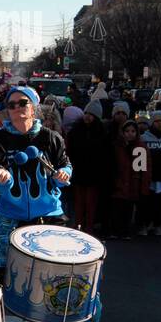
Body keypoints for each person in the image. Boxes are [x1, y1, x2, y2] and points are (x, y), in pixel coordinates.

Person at [0, 85, 94, 322]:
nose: (17, 109)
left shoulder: (51, 138)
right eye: (11, 105)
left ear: (34, 107)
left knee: (67, 274)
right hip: (9, 216)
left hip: (49, 215)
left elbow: (65, 164)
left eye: (23, 103)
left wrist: (64, 174)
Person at [67, 101, 113, 238]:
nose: (87, 117)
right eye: (86, 113)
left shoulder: (102, 133)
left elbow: (106, 156)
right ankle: (78, 225)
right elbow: (70, 151)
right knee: (79, 202)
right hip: (79, 172)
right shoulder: (76, 130)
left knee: (91, 203)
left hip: (94, 174)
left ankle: (89, 227)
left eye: (91, 114)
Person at [111, 120, 149, 239]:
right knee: (117, 208)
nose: (130, 134)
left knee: (128, 209)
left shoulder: (140, 147)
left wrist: (143, 185)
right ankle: (115, 231)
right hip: (118, 182)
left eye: (133, 131)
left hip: (133, 183)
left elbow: (143, 169)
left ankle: (125, 231)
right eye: (127, 131)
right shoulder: (117, 146)